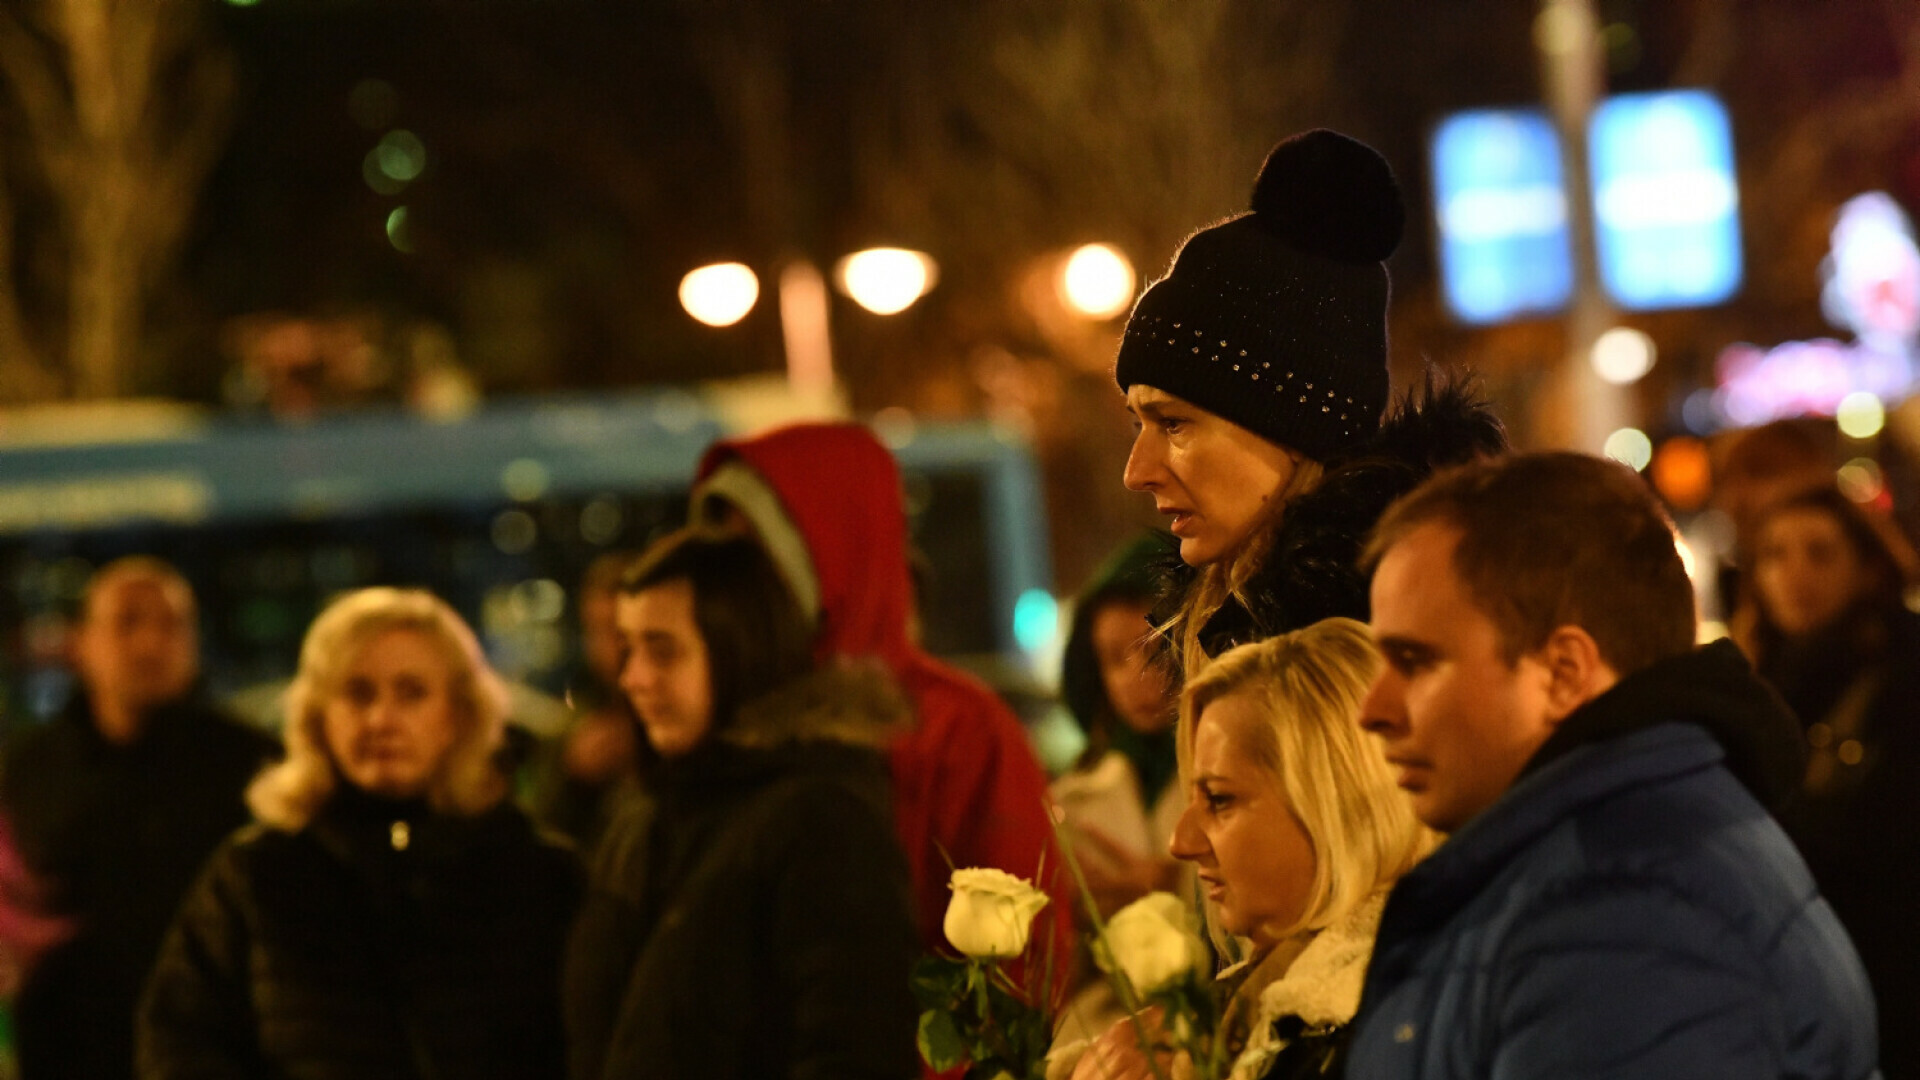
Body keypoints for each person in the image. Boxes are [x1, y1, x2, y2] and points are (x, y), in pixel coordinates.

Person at [1347, 452, 1878, 1079]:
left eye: (1415, 660)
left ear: (1564, 672)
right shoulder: (1619, 863)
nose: (1372, 709)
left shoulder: (1622, 916)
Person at [137, 587, 582, 1079]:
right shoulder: (257, 875)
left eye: (411, 692)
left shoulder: (537, 875)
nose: (382, 719)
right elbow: (180, 1039)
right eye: (358, 693)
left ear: (457, 713)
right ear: (319, 714)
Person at [1115, 128, 1505, 681]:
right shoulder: (1234, 628)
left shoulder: (1401, 657)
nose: (1137, 472)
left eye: (1174, 423)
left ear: (1297, 427)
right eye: (1139, 424)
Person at [689, 423, 1070, 968]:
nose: (735, 584)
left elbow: (1024, 959)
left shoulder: (957, 730)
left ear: (830, 548)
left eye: (756, 551)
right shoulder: (715, 715)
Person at [562, 529, 917, 1080]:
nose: (632, 677)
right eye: (627, 648)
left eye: (663, 651)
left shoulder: (819, 817)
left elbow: (854, 1046)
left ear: (738, 650)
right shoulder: (651, 812)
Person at [1065, 618, 1431, 1080]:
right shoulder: (1239, 1016)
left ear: (1332, 805)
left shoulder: (1374, 1034)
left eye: (1219, 800)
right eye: (1189, 797)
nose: (1183, 843)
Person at [0, 557, 276, 1080]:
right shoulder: (32, 766)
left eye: (172, 624)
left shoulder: (253, 765)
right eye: (128, 621)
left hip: (218, 1049)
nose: (151, 643)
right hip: (67, 1048)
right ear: (82, 640)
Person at [1735, 485, 1920, 1077]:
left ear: (1865, 566)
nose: (1795, 574)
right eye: (1774, 555)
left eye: (1820, 553)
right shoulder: (1760, 680)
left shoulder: (1902, 670)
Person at [532, 550, 643, 854]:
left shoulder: (678, 722)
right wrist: (576, 779)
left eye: (617, 632)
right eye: (595, 632)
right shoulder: (580, 721)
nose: (606, 649)